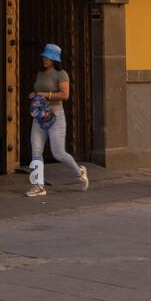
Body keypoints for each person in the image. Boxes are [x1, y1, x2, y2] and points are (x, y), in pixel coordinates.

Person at [25, 43, 88, 198]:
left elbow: (65, 95)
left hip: (56, 116)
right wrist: (34, 95)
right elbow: (38, 91)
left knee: (58, 153)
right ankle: (39, 186)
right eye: (44, 57)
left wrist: (45, 95)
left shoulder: (62, 74)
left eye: (47, 57)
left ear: (54, 59)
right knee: (36, 151)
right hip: (40, 115)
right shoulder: (40, 73)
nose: (44, 59)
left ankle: (79, 172)